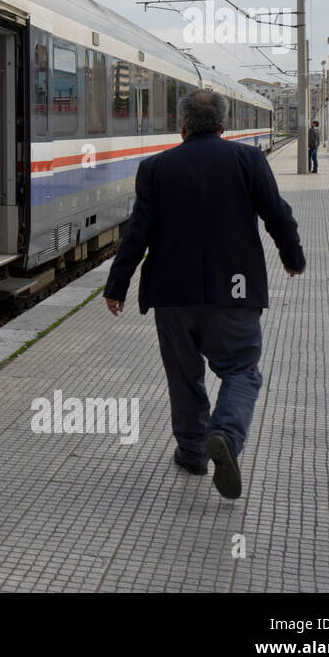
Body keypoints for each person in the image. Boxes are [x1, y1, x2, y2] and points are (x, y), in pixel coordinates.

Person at [103, 89, 306, 499]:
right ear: (224, 125)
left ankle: (193, 452)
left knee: (184, 375)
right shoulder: (248, 160)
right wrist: (293, 257)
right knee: (240, 369)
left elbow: (137, 233)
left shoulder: (155, 168)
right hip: (234, 291)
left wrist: (117, 285)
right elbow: (276, 214)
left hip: (172, 294)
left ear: (181, 126)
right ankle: (227, 436)